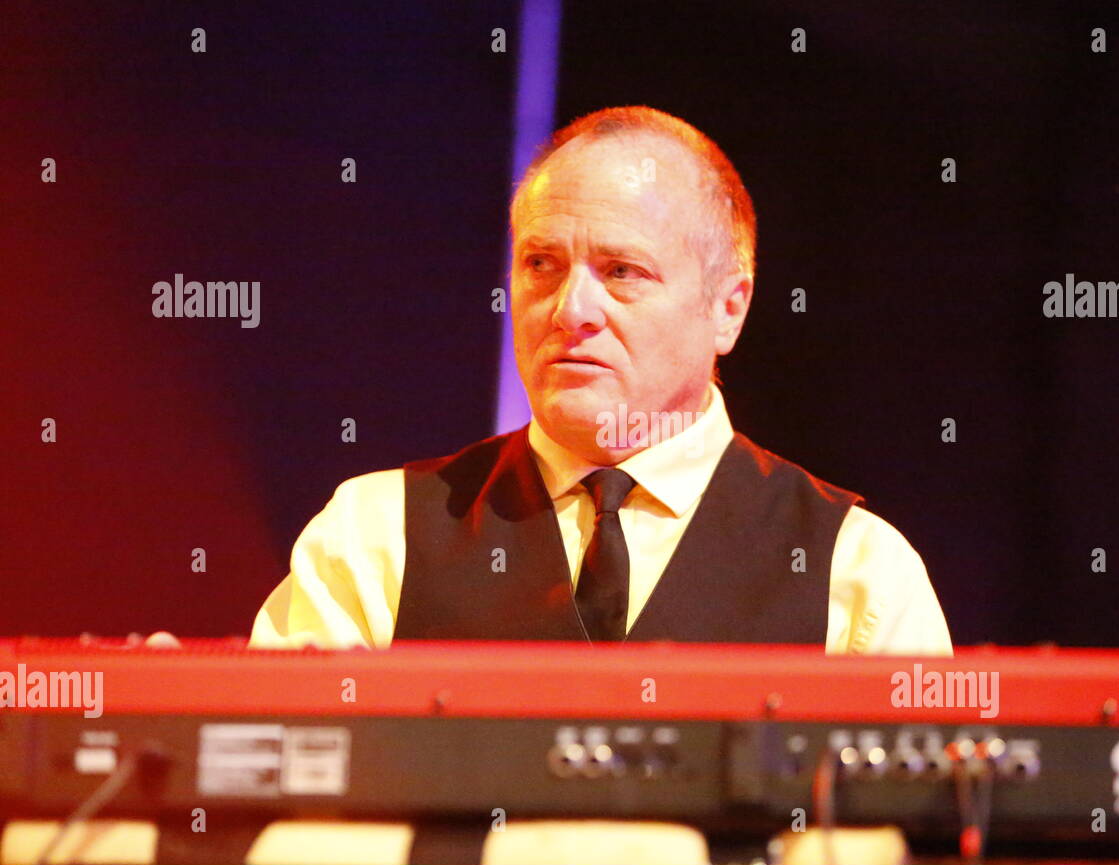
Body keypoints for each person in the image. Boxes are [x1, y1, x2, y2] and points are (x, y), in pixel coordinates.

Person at [250, 106, 951, 655]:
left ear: (727, 308)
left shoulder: (858, 573)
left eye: (622, 272)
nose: (571, 310)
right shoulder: (373, 537)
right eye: (541, 265)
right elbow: (273, 813)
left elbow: (914, 836)